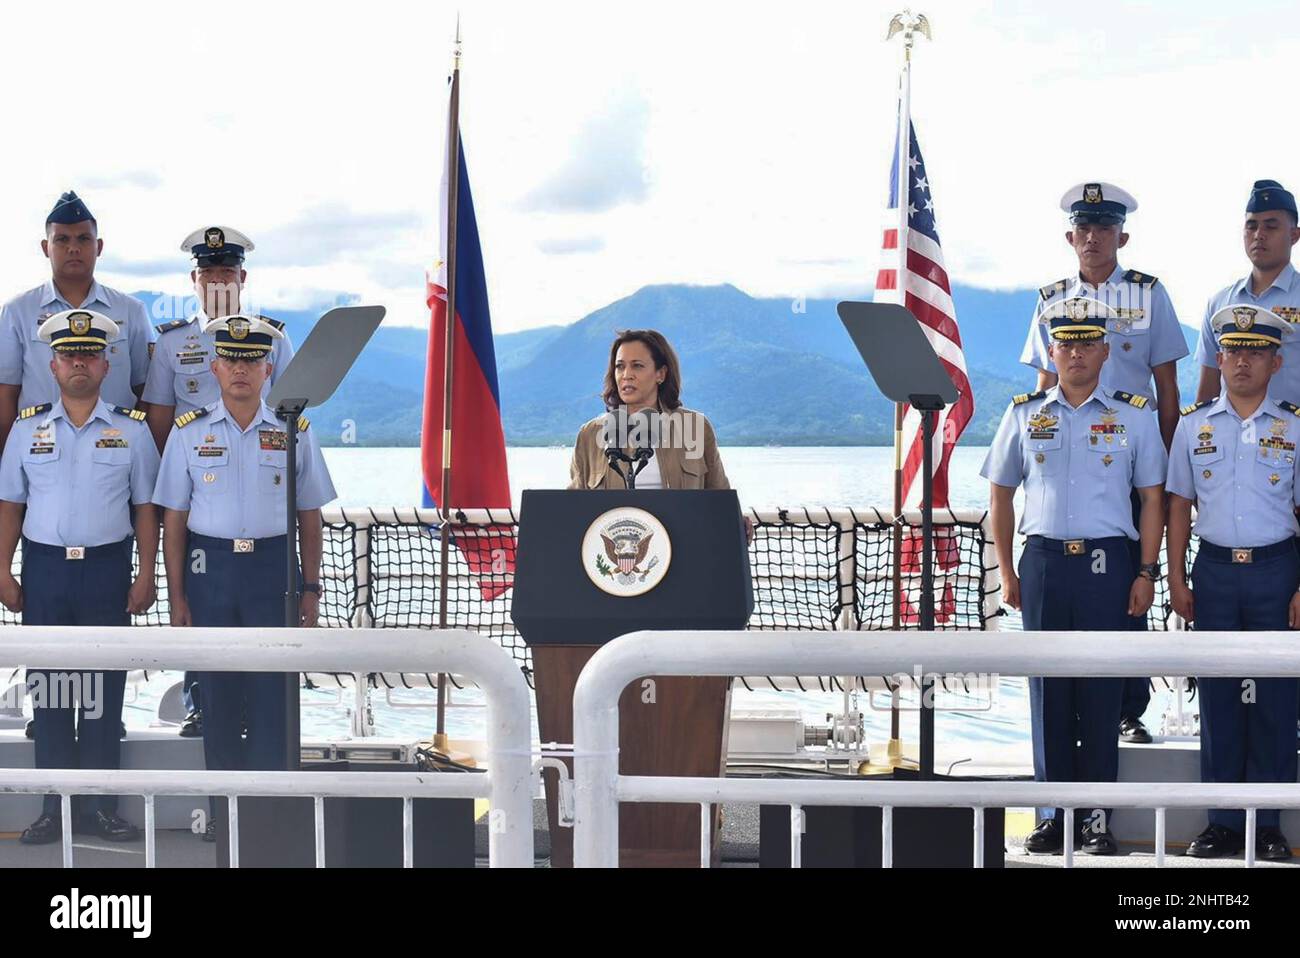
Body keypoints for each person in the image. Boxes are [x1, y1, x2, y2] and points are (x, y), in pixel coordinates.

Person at [986, 296, 1166, 855]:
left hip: (1109, 564)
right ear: (1052, 350)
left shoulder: (1133, 414)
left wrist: (1146, 571)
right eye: (1067, 343)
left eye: (1089, 342)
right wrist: (1007, 569)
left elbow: (1153, 497)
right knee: (1047, 692)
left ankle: (1095, 819)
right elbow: (1000, 491)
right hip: (1040, 561)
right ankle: (1052, 815)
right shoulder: (1024, 413)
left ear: (1106, 351)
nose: (1078, 352)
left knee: (1101, 690)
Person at [152, 314, 334, 842]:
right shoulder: (189, 434)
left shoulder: (294, 431)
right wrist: (177, 596)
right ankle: (224, 813)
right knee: (219, 696)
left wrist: (311, 587)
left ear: (268, 368)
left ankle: (270, 814)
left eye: (251, 359)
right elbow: (174, 519)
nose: (240, 369)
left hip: (273, 570)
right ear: (213, 367)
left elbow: (309, 515)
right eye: (230, 359)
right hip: (212, 572)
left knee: (274, 695)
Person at [1020, 181, 1185, 745]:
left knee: (1131, 587)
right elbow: (1043, 381)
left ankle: (1127, 706)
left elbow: (1168, 385)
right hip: (1072, 461)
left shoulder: (1148, 294)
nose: (1093, 237)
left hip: (1135, 460)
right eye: (1084, 228)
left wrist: (1165, 469)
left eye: (1104, 227)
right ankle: (1069, 714)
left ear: (1123, 235)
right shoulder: (1050, 298)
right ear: (1071, 237)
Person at [0, 309, 159, 844]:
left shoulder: (131, 431)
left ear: (106, 361)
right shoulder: (26, 430)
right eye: (69, 355)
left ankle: (100, 807)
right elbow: (9, 507)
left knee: (102, 693)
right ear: (53, 363)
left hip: (107, 570)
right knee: (49, 693)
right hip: (44, 569)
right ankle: (54, 807)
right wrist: (2, 569)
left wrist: (145, 574)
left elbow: (145, 509)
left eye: (89, 354)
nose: (79, 363)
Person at [142, 226, 295, 738]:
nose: (217, 281)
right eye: (208, 272)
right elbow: (160, 426)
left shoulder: (274, 339)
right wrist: (177, 492)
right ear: (194, 279)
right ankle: (201, 702)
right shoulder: (173, 344)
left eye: (226, 271)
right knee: (197, 607)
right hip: (195, 489)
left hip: (259, 486)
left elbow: (291, 414)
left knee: (263, 625)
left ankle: (258, 712)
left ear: (242, 277)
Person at [1167, 305, 1297, 861]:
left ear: (1276, 361)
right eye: (1233, 352)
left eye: (1255, 352)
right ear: (1218, 360)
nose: (1243, 361)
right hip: (1215, 571)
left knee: (1275, 701)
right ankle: (1221, 822)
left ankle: (1267, 825)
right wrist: (1174, 576)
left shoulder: (1294, 427)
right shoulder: (1194, 425)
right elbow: (1177, 506)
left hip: (1277, 570)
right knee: (1218, 698)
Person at [0, 191, 152, 453]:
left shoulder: (131, 311)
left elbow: (146, 392)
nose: (73, 247)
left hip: (114, 452)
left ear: (99, 246)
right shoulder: (17, 312)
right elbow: (5, 395)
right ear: (46, 248)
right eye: (62, 239)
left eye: (83, 238)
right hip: (39, 454)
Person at [568, 329, 732, 492]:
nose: (626, 375)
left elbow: (722, 500)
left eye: (637, 366)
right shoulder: (590, 434)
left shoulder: (695, 427)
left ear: (660, 374)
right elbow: (573, 507)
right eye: (620, 366)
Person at [1194, 181, 1300, 406]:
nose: (1259, 235)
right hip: (1229, 438)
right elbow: (1208, 389)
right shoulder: (1220, 303)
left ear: (1294, 235)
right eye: (1251, 226)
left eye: (1271, 226)